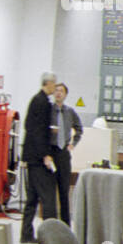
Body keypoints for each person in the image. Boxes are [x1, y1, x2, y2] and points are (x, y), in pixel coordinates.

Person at [19, 72, 58, 243]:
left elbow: (29, 126)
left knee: (32, 198)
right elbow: (39, 132)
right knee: (48, 197)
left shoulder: (35, 100)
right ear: (48, 83)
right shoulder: (43, 103)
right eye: (54, 85)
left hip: (31, 157)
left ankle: (26, 234)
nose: (55, 88)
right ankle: (50, 237)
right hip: (39, 158)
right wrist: (46, 154)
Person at [50, 82, 83, 224]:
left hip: (63, 153)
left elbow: (79, 129)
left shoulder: (70, 112)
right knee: (49, 191)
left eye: (61, 91)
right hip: (50, 152)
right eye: (56, 90)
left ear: (65, 94)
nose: (58, 93)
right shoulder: (48, 110)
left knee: (64, 190)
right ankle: (50, 222)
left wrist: (72, 144)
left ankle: (65, 224)